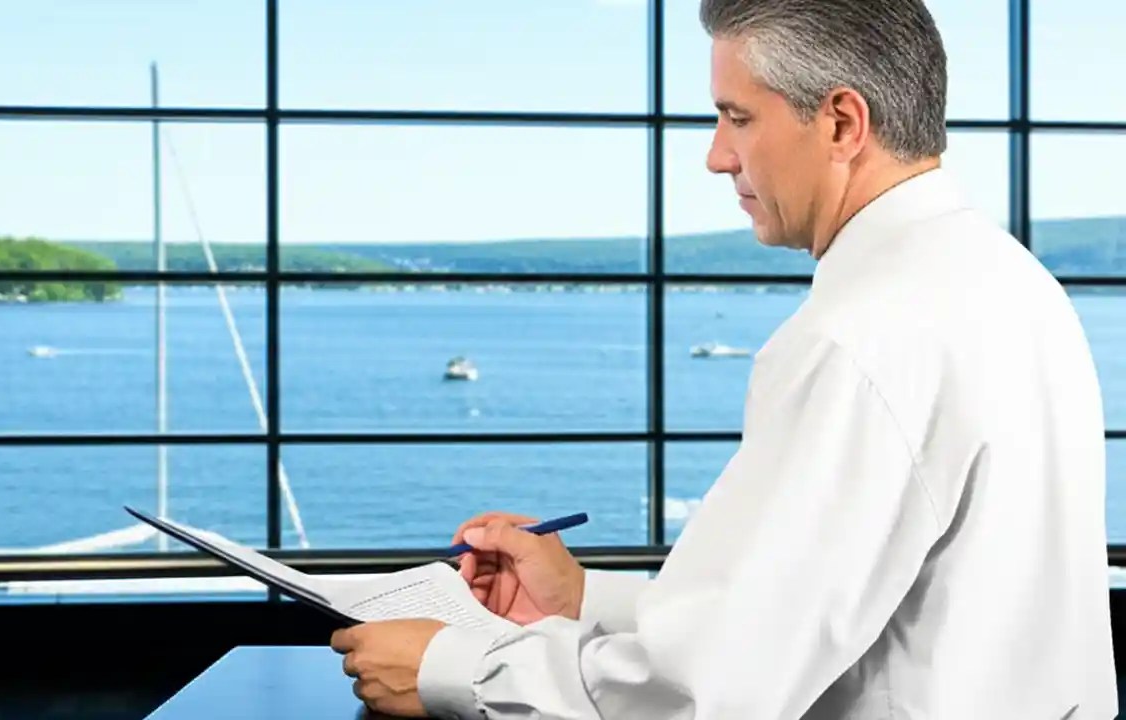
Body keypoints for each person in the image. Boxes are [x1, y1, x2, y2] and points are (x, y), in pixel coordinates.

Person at [329, 0, 1119, 716]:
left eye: (737, 118)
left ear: (842, 123)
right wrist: (580, 597)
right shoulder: (1013, 283)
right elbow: (824, 613)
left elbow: (713, 693)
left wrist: (452, 668)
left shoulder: (862, 337)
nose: (716, 156)